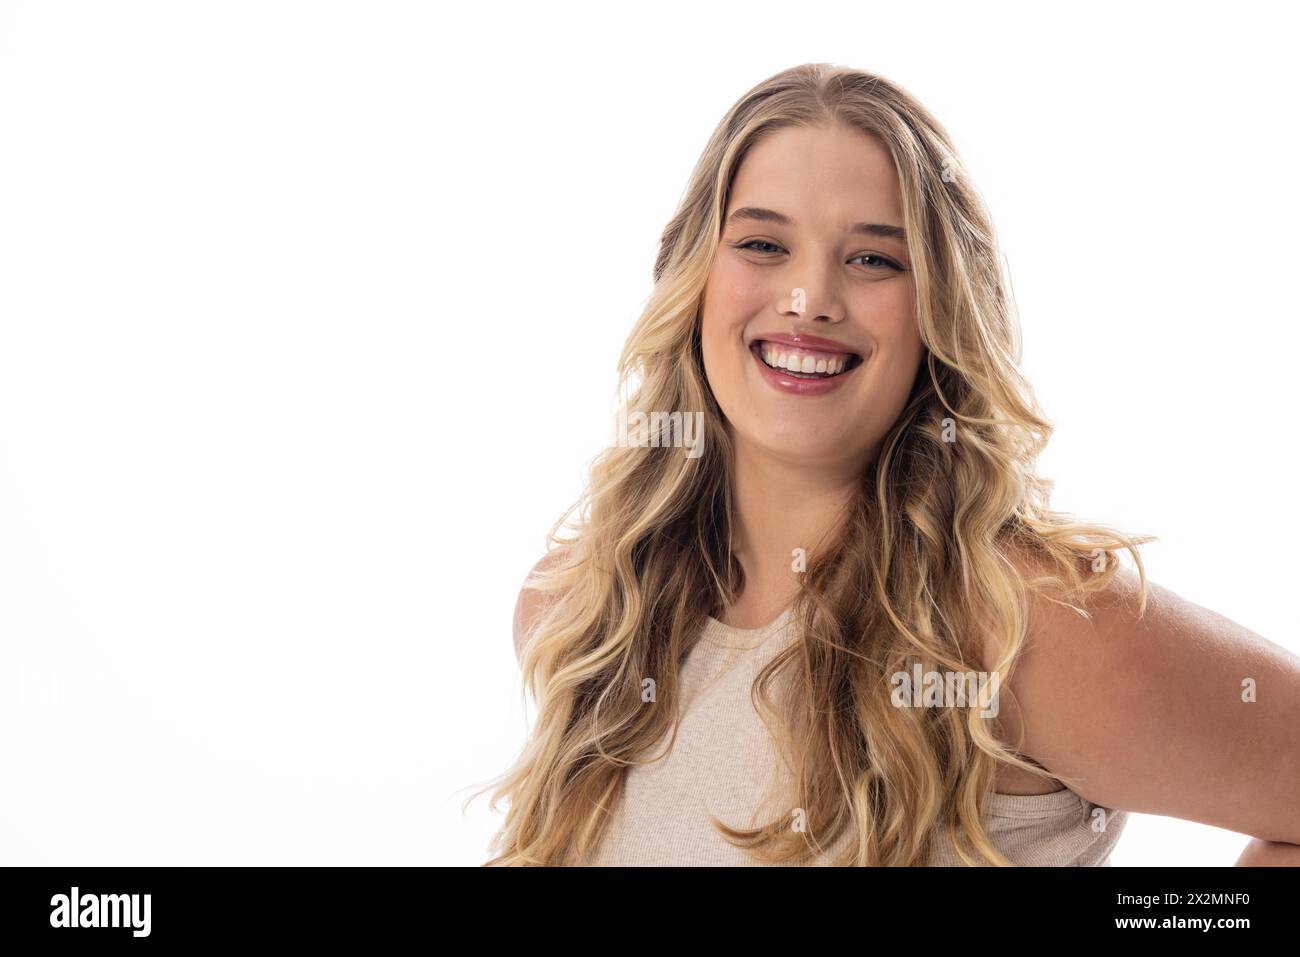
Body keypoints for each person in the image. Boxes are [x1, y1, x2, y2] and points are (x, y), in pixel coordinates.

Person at [479, 62, 1300, 866]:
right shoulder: (578, 612)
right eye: (763, 243)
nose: (809, 297)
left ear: (939, 305)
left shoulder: (1017, 620)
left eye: (874, 258)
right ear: (692, 279)